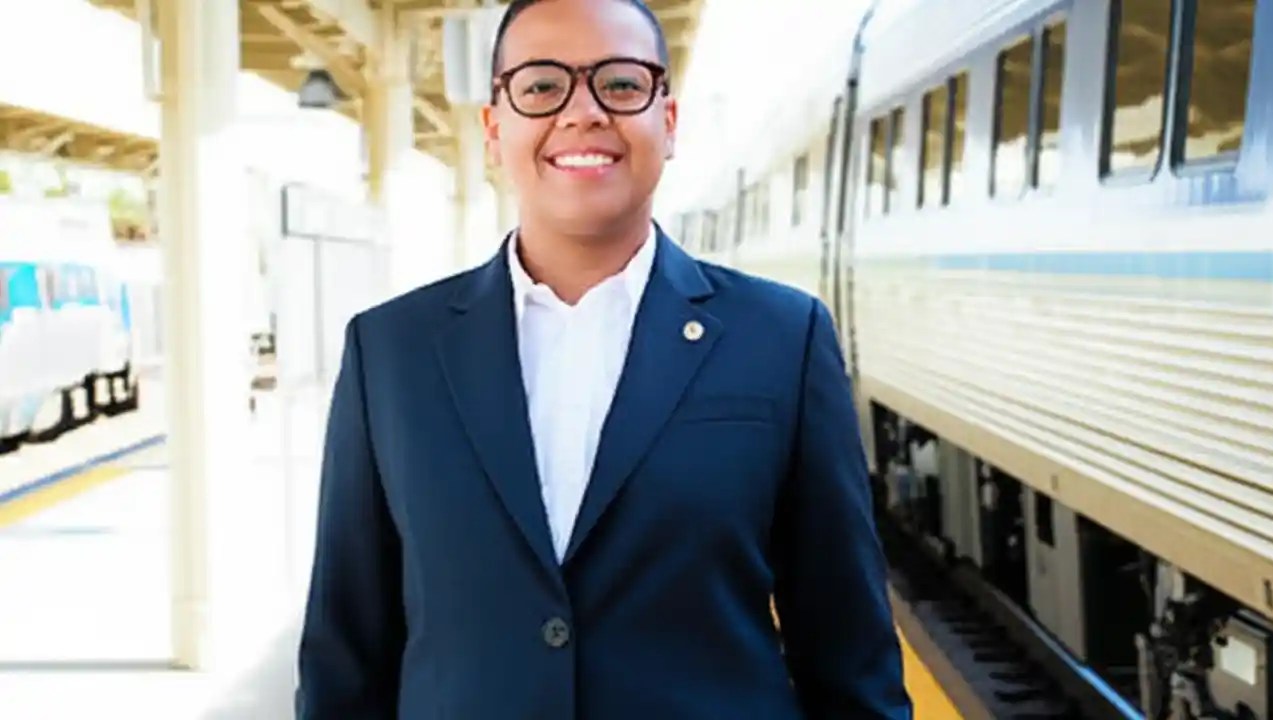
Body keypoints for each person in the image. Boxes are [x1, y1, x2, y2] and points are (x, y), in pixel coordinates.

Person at [294, 0, 912, 717]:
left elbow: (849, 653)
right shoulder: (390, 353)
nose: (582, 111)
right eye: (540, 85)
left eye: (620, 84)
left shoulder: (782, 338)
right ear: (495, 130)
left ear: (669, 123)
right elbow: (346, 654)